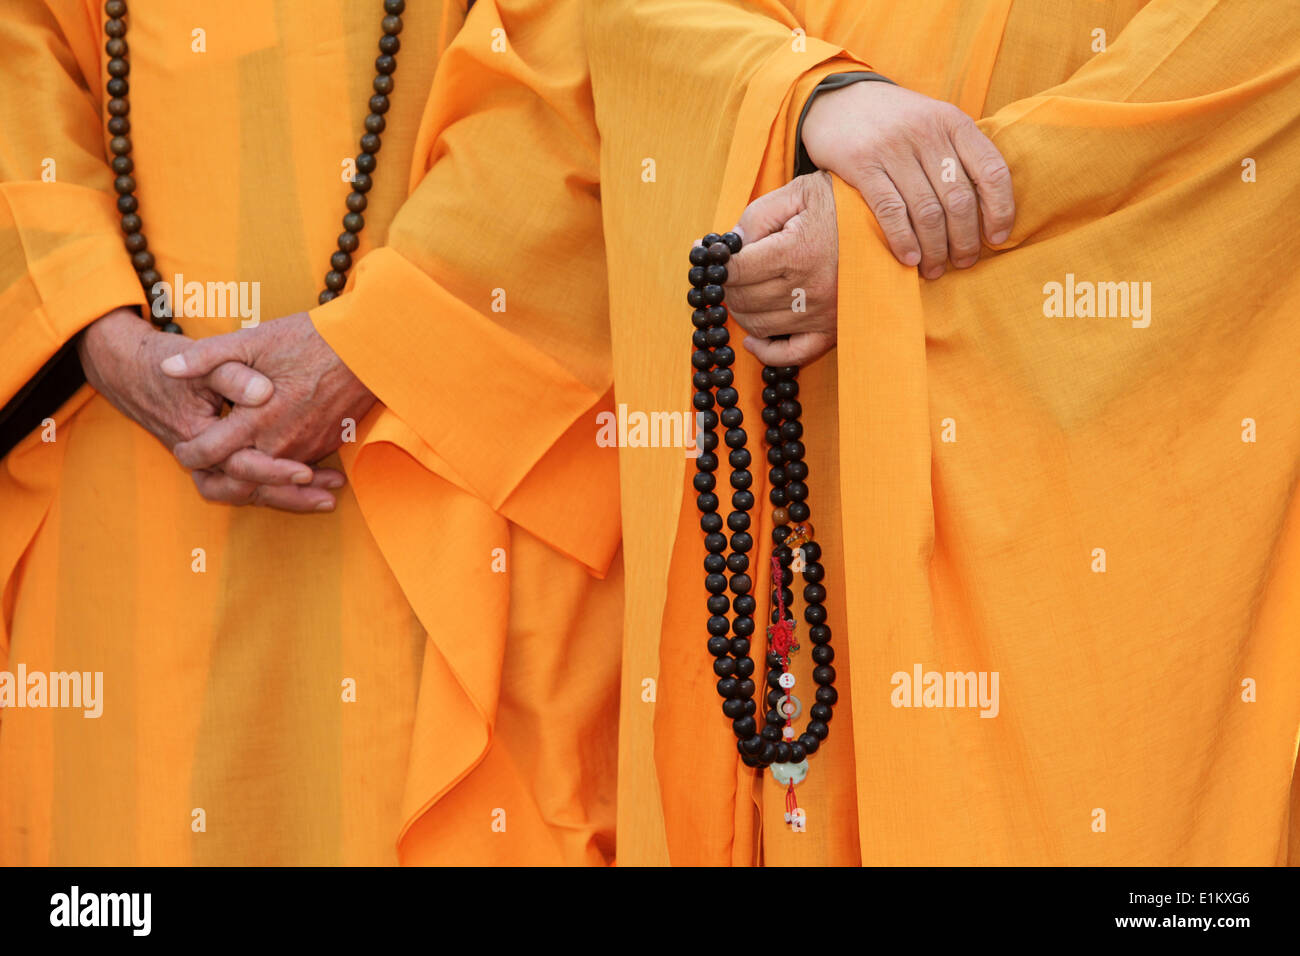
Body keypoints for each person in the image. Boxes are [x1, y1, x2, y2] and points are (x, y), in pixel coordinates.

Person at [591, 0, 1300, 865]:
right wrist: (811, 96)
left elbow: (1251, 57)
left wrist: (903, 217)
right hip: (799, 456)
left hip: (1086, 461)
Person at [0, 0, 620, 865]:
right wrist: (90, 323)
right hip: (108, 456)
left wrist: (382, 339)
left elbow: (576, 46)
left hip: (443, 449)